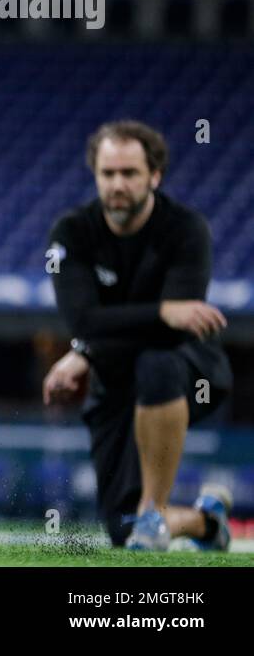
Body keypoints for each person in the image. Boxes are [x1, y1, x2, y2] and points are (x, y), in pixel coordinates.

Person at [43, 120, 234, 550]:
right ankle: (204, 522)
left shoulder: (187, 230)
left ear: (155, 176)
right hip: (114, 380)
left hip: (192, 373)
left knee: (157, 362)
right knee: (120, 529)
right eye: (108, 174)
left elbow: (173, 335)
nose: (117, 184)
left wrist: (86, 351)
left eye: (129, 173)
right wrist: (92, 347)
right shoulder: (71, 233)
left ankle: (152, 511)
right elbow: (83, 322)